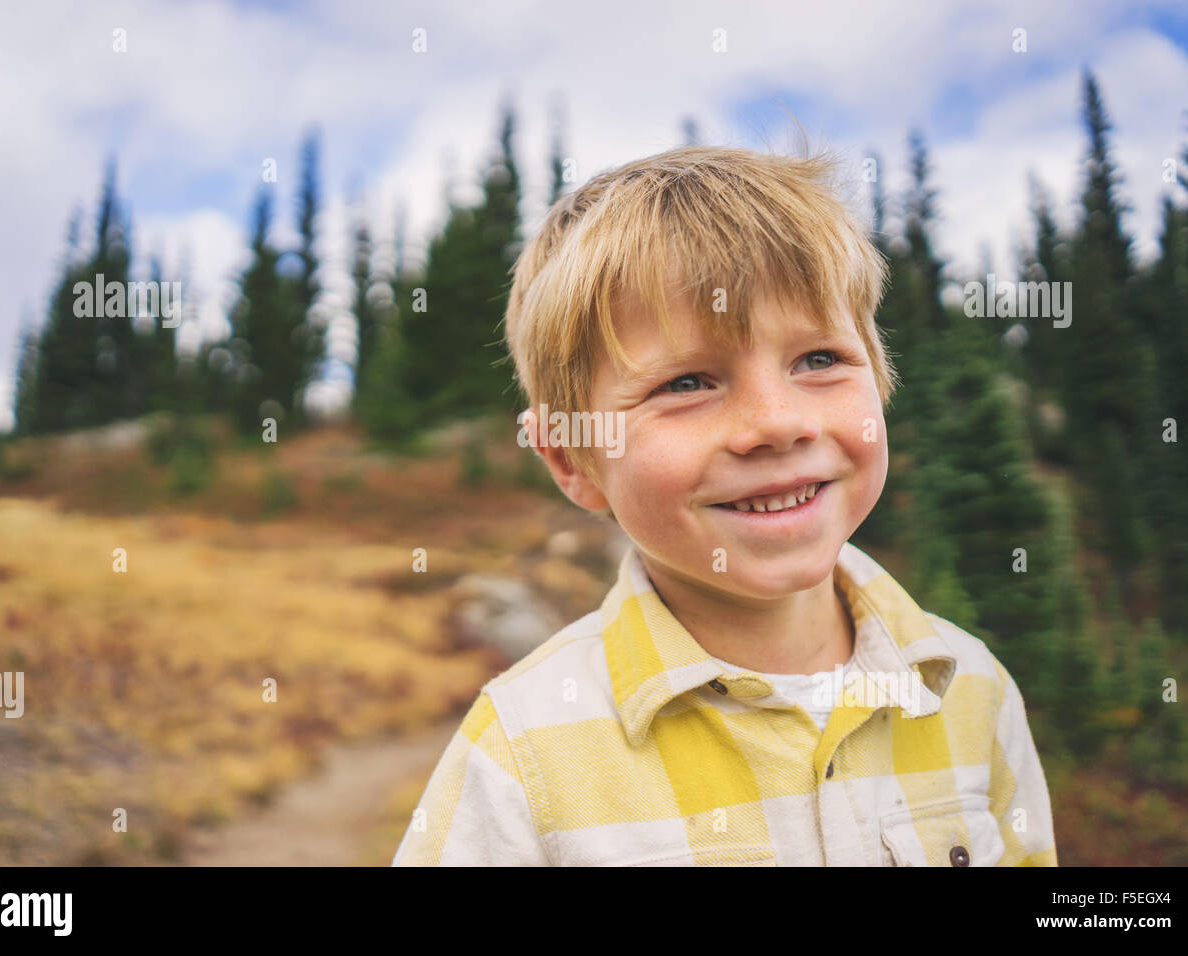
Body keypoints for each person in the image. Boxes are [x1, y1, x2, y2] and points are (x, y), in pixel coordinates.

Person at [392, 144, 1057, 866]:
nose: (777, 422)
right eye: (687, 383)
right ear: (570, 460)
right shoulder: (518, 754)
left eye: (819, 360)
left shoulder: (975, 687)